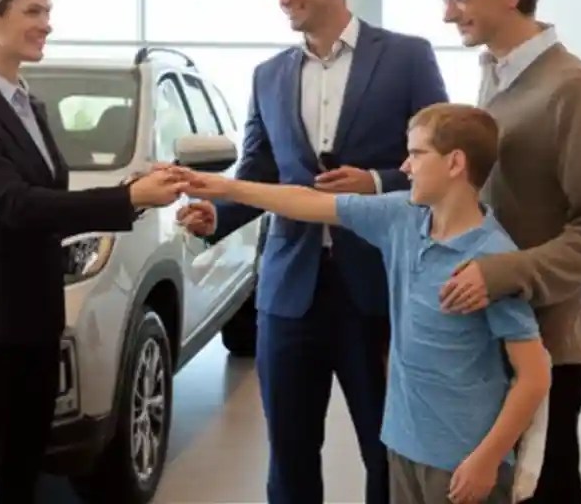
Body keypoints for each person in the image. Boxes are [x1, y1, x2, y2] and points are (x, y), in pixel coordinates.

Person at [176, 0, 449, 504]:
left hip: (378, 291)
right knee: (291, 453)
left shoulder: (406, 57)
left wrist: (375, 183)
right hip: (287, 296)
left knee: (388, 451)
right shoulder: (268, 75)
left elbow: (445, 160)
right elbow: (257, 171)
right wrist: (214, 216)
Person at [175, 102, 552, 504]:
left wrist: (487, 460)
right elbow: (306, 202)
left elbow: (534, 376)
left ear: (455, 163)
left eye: (417, 155)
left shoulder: (493, 260)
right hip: (402, 444)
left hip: (462, 463)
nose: (404, 167)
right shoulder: (401, 217)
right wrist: (227, 188)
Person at [0, 0, 184, 504]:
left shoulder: (31, 105)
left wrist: (130, 192)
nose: (47, 24)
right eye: (34, 11)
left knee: (21, 480)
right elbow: (14, 205)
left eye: (48, 11)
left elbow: (51, 202)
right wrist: (127, 198)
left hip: (36, 326)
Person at [429, 0, 581, 504]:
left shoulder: (571, 88)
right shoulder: (493, 73)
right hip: (491, 336)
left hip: (547, 346)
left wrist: (502, 274)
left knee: (545, 488)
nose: (447, 14)